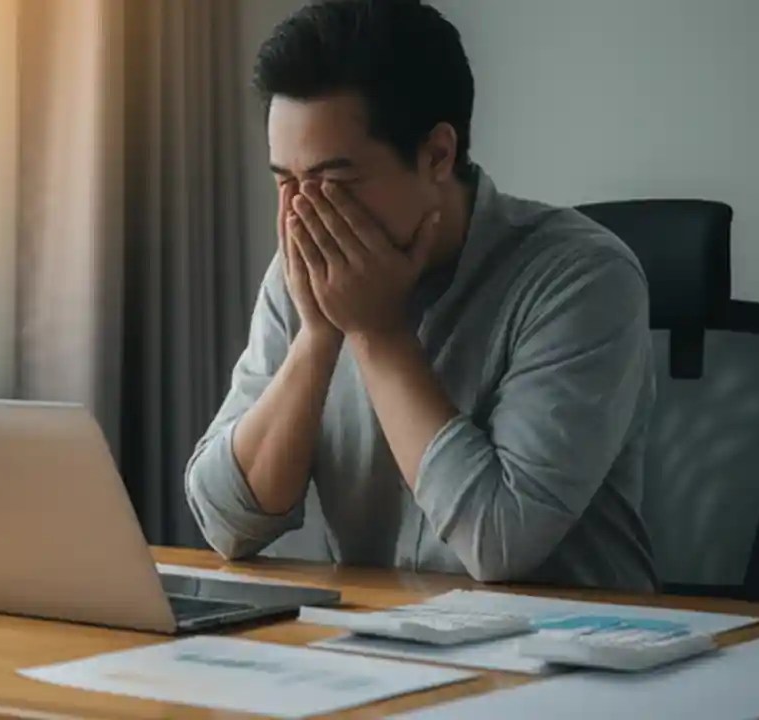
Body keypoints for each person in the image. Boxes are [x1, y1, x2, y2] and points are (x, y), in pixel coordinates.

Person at [185, 0, 658, 592]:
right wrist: (318, 335)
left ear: (438, 154)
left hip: (570, 659)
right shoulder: (303, 272)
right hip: (382, 649)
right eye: (286, 181)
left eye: (334, 183)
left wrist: (375, 332)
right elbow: (223, 521)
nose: (302, 215)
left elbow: (498, 542)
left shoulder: (583, 277)